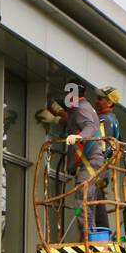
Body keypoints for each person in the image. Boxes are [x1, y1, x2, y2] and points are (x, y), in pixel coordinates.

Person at [37, 82, 110, 238]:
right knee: (88, 202)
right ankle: (91, 237)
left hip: (90, 162)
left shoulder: (81, 108)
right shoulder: (82, 107)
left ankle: (89, 240)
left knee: (82, 201)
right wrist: (57, 118)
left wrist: (79, 137)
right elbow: (72, 120)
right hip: (91, 162)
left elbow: (88, 126)